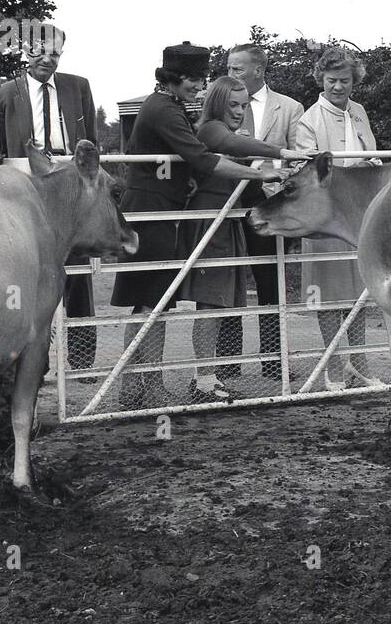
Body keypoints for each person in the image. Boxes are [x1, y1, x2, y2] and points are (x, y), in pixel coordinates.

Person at [110, 42, 304, 410]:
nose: (196, 88)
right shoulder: (164, 110)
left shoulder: (171, 107)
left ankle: (139, 386)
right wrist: (265, 168)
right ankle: (143, 385)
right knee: (151, 302)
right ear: (173, 79)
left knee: (155, 302)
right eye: (192, 81)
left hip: (165, 211)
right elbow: (203, 159)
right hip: (153, 212)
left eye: (200, 81)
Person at [0, 24, 98, 368]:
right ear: (23, 52)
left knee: (77, 270)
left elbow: (91, 140)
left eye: (54, 53)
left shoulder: (78, 87)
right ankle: (30, 358)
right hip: (26, 192)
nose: (46, 59)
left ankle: (81, 359)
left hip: (69, 189)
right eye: (38, 51)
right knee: (27, 273)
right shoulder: (3, 95)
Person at [180, 75, 290, 402]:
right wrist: (282, 152)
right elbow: (230, 146)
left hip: (228, 222)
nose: (240, 111)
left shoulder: (231, 133)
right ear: (217, 104)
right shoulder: (211, 128)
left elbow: (246, 173)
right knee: (211, 300)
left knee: (221, 300)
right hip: (210, 221)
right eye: (233, 105)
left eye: (243, 105)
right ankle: (203, 380)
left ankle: (208, 376)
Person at [295, 45, 382, 390]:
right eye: (332, 80)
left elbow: (372, 153)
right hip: (326, 216)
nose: (338, 87)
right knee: (328, 294)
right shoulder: (308, 119)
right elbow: (310, 171)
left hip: (360, 213)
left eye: (344, 80)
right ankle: (331, 368)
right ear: (321, 79)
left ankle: (358, 365)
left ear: (353, 81)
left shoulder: (360, 112)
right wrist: (351, 170)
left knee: (360, 290)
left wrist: (369, 167)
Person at [223, 43, 303, 382]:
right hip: (228, 202)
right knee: (228, 279)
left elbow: (298, 156)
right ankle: (226, 362)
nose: (231, 74)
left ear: (259, 69)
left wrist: (278, 181)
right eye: (229, 67)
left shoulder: (289, 107)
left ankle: (274, 361)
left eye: (238, 68)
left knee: (272, 282)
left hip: (269, 203)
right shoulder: (220, 103)